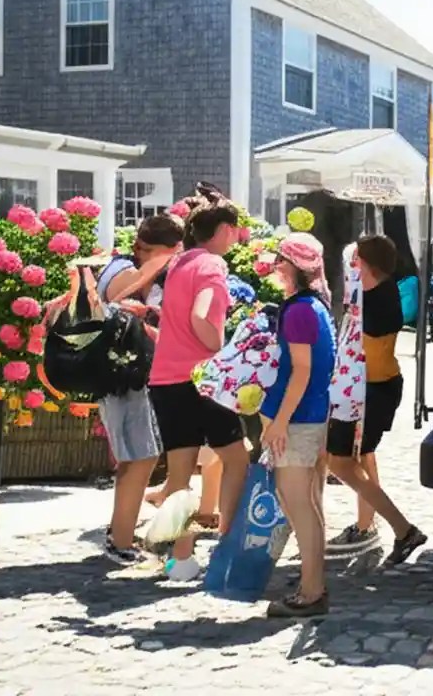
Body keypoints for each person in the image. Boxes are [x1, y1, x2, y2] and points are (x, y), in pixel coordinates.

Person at [146, 184, 247, 581]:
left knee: (179, 475)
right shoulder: (212, 265)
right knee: (236, 459)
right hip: (202, 380)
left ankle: (180, 561)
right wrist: (218, 347)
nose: (237, 237)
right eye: (234, 230)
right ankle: (227, 547)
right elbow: (202, 314)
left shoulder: (181, 263)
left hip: (166, 378)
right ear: (223, 230)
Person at [324, 234, 426, 567]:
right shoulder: (380, 292)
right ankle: (366, 526)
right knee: (361, 457)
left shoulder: (375, 298)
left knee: (340, 463)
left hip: (370, 390)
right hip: (373, 387)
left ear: (364, 265)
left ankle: (403, 529)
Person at [92, 214, 183, 565]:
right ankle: (121, 541)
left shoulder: (133, 268)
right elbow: (121, 299)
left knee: (138, 456)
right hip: (121, 376)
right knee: (139, 456)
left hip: (128, 375)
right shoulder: (124, 272)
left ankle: (120, 533)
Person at [258, 233, 336, 617]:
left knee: (299, 504)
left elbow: (301, 371)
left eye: (280, 260)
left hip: (299, 419)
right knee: (306, 503)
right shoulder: (313, 305)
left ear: (292, 267)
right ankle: (312, 583)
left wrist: (279, 423)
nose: (275, 266)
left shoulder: (301, 311)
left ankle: (311, 591)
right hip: (308, 416)